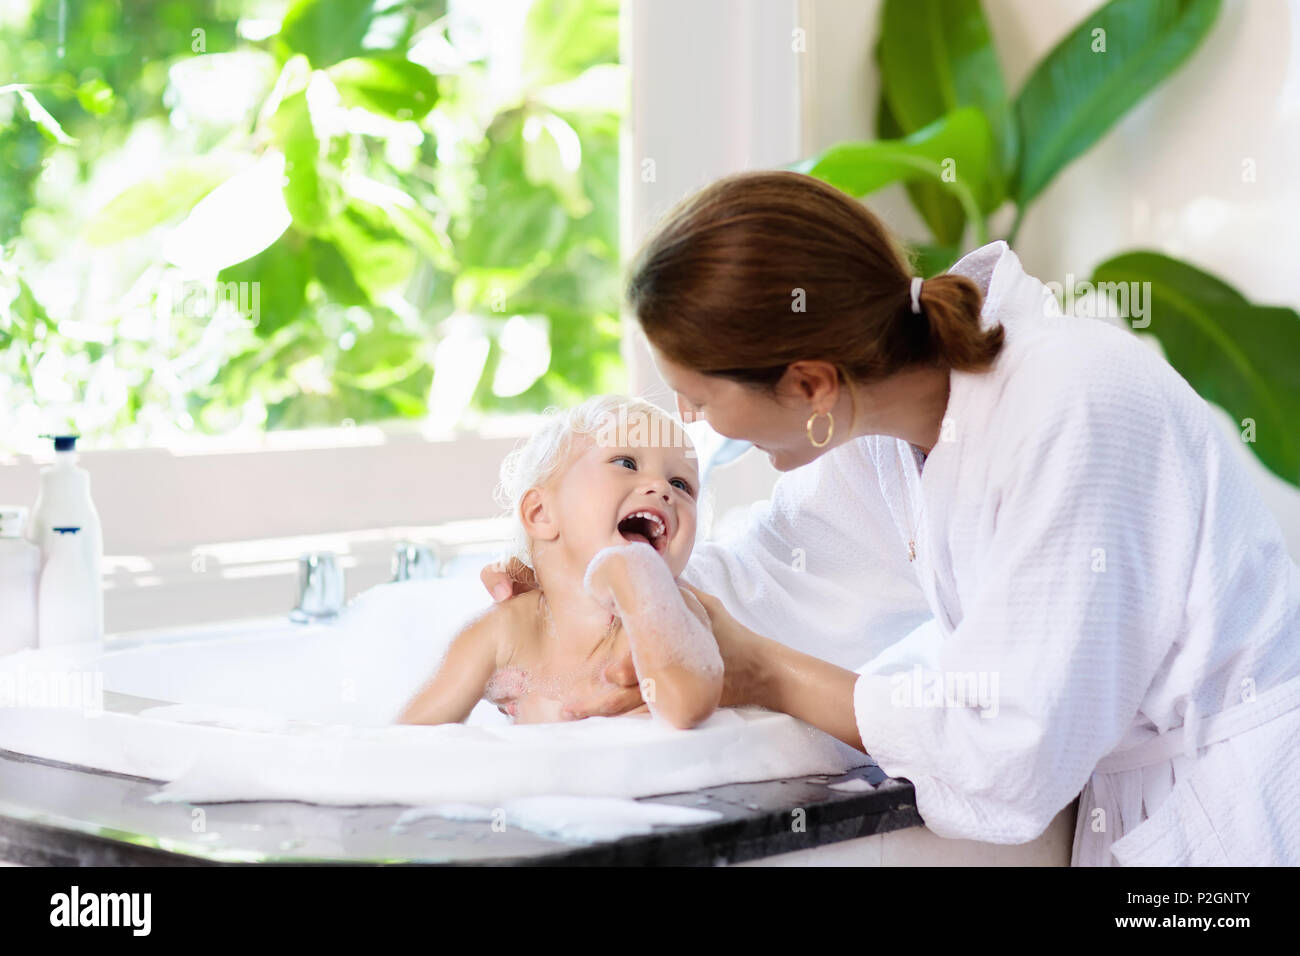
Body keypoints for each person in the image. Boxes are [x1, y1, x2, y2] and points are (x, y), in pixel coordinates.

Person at [483, 169, 1300, 866]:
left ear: (808, 385)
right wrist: (573, 595)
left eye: (700, 399)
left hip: (1247, 818)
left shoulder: (1070, 409)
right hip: (1156, 810)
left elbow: (1009, 751)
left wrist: (765, 672)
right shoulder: (883, 433)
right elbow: (781, 572)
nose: (697, 425)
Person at [400, 395, 721, 727]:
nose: (661, 488)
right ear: (541, 513)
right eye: (626, 463)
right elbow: (407, 740)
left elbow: (687, 707)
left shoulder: (669, 614)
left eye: (681, 484)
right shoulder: (504, 632)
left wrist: (640, 586)